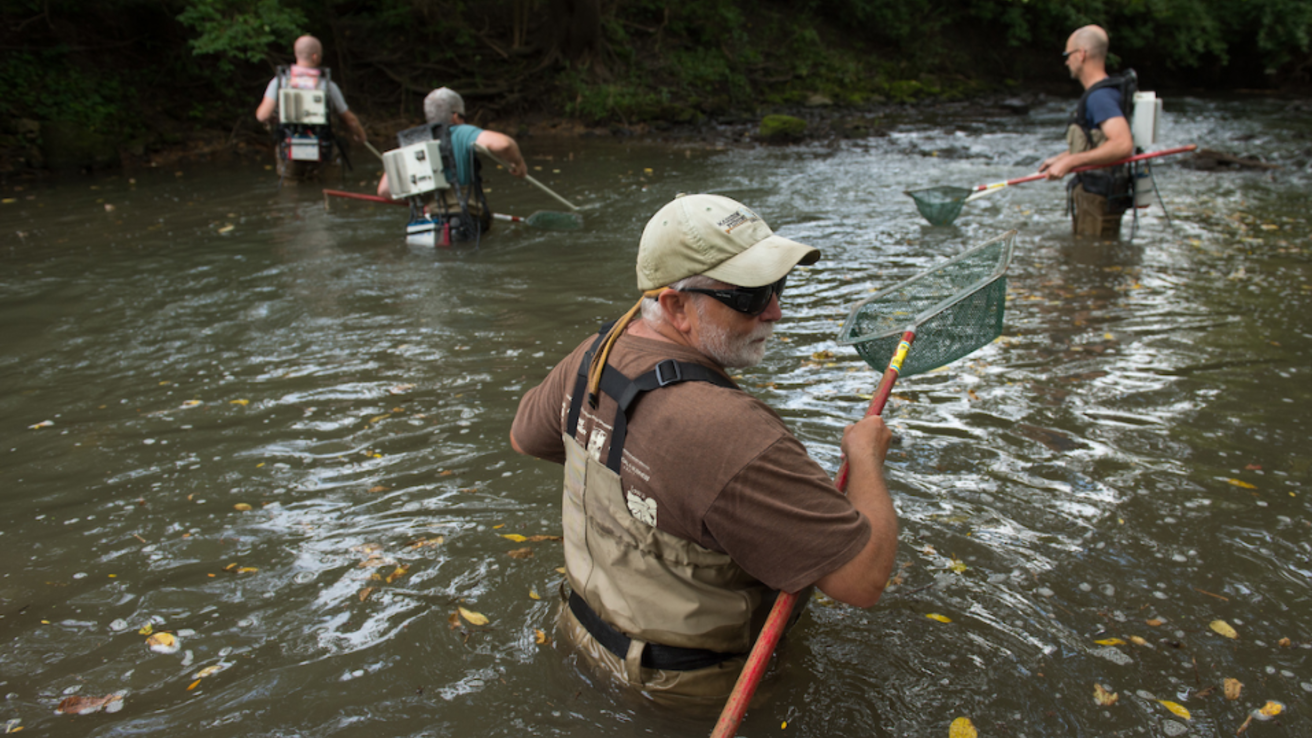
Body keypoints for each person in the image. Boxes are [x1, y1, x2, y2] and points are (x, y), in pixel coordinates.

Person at [509, 193, 899, 705]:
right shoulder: (732, 434)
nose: (776, 312)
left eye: (777, 286)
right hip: (690, 694)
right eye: (750, 297)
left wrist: (646, 475)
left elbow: (525, 437)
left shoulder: (594, 355)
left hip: (583, 639)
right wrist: (865, 456)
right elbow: (863, 580)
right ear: (675, 306)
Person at [376, 87, 527, 241]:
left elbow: (384, 190)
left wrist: (424, 202)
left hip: (427, 228)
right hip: (465, 225)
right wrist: (519, 164)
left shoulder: (412, 140)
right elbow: (504, 144)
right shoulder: (460, 132)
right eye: (462, 116)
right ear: (455, 116)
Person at [1039, 25, 1136, 239]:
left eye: (1068, 54)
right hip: (1099, 193)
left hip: (1099, 196)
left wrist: (1070, 162)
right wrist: (1061, 158)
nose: (1066, 61)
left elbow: (1122, 144)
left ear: (1081, 54)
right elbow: (1098, 143)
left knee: (1094, 261)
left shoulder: (1099, 97)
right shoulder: (1103, 93)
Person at [254, 35, 367, 182]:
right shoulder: (327, 85)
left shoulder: (280, 82)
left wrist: (274, 118)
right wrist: (360, 135)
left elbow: (262, 115)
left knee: (290, 189)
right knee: (327, 185)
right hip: (323, 146)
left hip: (290, 146)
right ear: (315, 57)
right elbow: (350, 120)